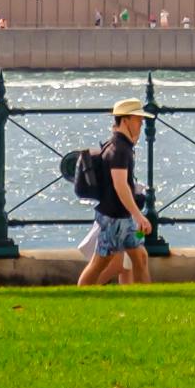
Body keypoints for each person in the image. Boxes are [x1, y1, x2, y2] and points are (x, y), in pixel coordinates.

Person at [76, 98, 151, 286]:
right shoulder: (119, 150)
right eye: (138, 120)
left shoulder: (117, 145)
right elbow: (120, 185)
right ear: (125, 120)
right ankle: (79, 297)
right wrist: (139, 216)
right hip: (114, 218)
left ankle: (148, 300)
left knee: (139, 257)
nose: (141, 125)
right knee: (100, 262)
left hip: (121, 216)